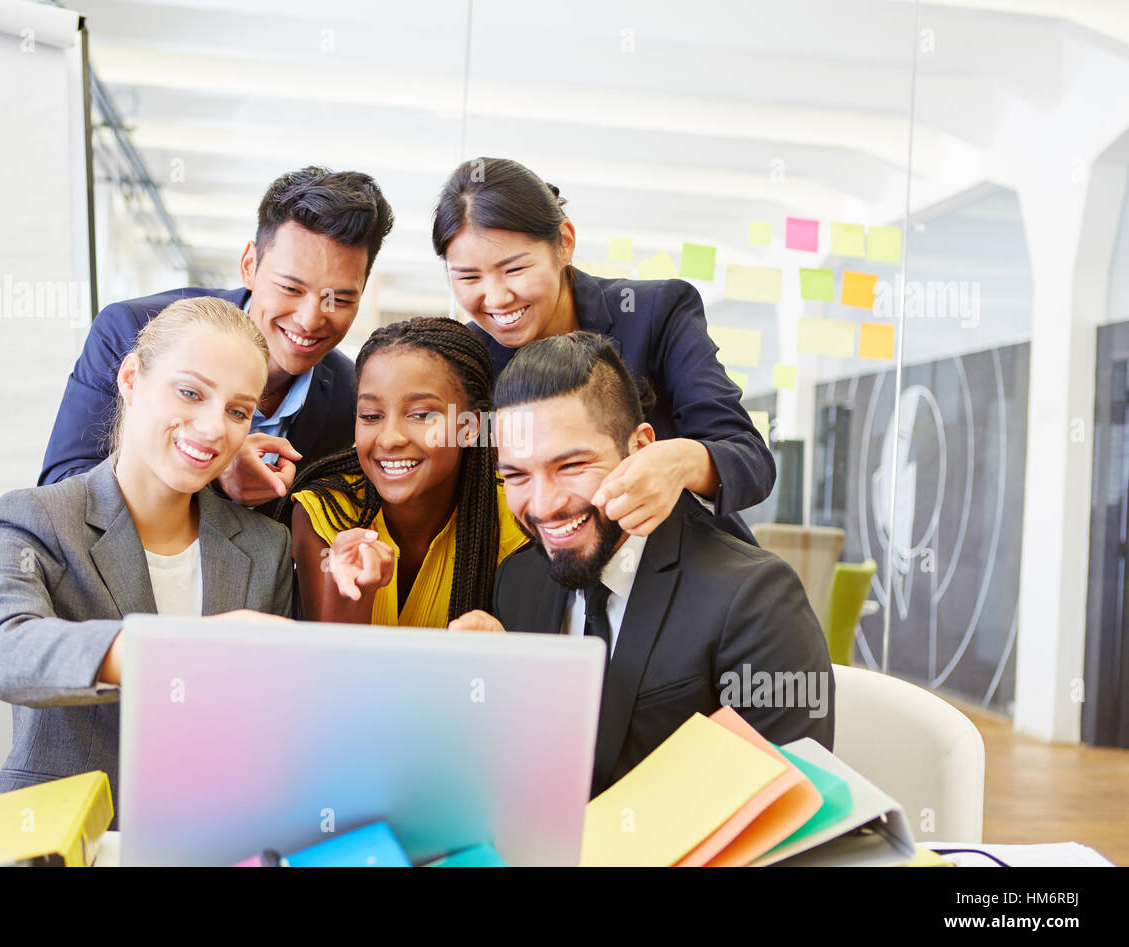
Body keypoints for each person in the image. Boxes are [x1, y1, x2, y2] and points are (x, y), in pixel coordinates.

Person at [449, 332, 833, 798]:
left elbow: (785, 814)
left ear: (641, 448)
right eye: (515, 475)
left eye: (571, 465)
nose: (543, 505)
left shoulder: (755, 599)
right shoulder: (518, 580)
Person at [0, 297, 293, 824]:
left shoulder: (265, 547)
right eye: (190, 392)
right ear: (131, 378)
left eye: (237, 411)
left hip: (212, 835)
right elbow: (1, 650)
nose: (213, 428)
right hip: (63, 835)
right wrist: (176, 650)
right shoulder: (32, 518)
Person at [432, 156, 773, 545]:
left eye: (514, 270)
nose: (496, 298)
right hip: (541, 585)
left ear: (564, 243)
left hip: (681, 572)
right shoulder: (465, 358)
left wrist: (677, 462)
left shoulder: (654, 313)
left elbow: (750, 461)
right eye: (469, 277)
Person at [40, 166, 395, 519]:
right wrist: (213, 466)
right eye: (291, 288)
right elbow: (61, 489)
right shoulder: (131, 332)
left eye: (341, 300)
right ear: (249, 265)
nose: (310, 318)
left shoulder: (346, 397)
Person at [287, 317, 528, 628]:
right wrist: (354, 594)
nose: (390, 438)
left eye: (421, 415)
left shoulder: (516, 522)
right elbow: (331, 669)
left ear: (471, 427)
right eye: (371, 415)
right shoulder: (326, 513)